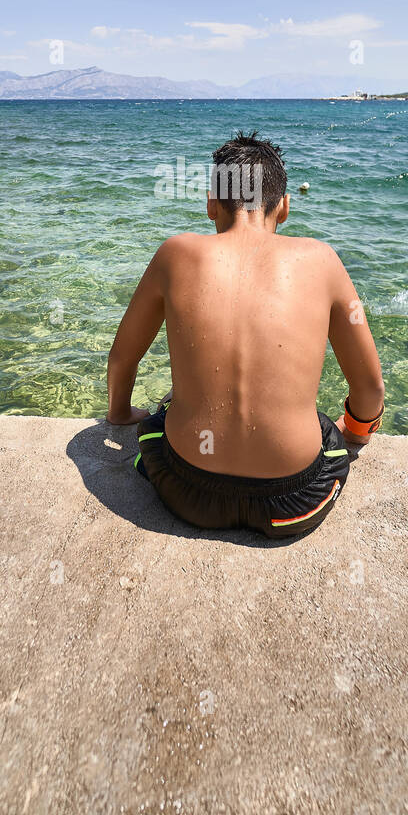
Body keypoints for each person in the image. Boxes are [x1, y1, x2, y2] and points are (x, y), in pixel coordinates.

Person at [106, 131, 384, 538]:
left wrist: (119, 413)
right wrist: (357, 431)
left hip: (186, 492)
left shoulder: (174, 253)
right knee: (323, 427)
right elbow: (371, 387)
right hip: (297, 503)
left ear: (211, 204)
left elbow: (122, 358)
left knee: (162, 415)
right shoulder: (322, 259)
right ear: (284, 207)